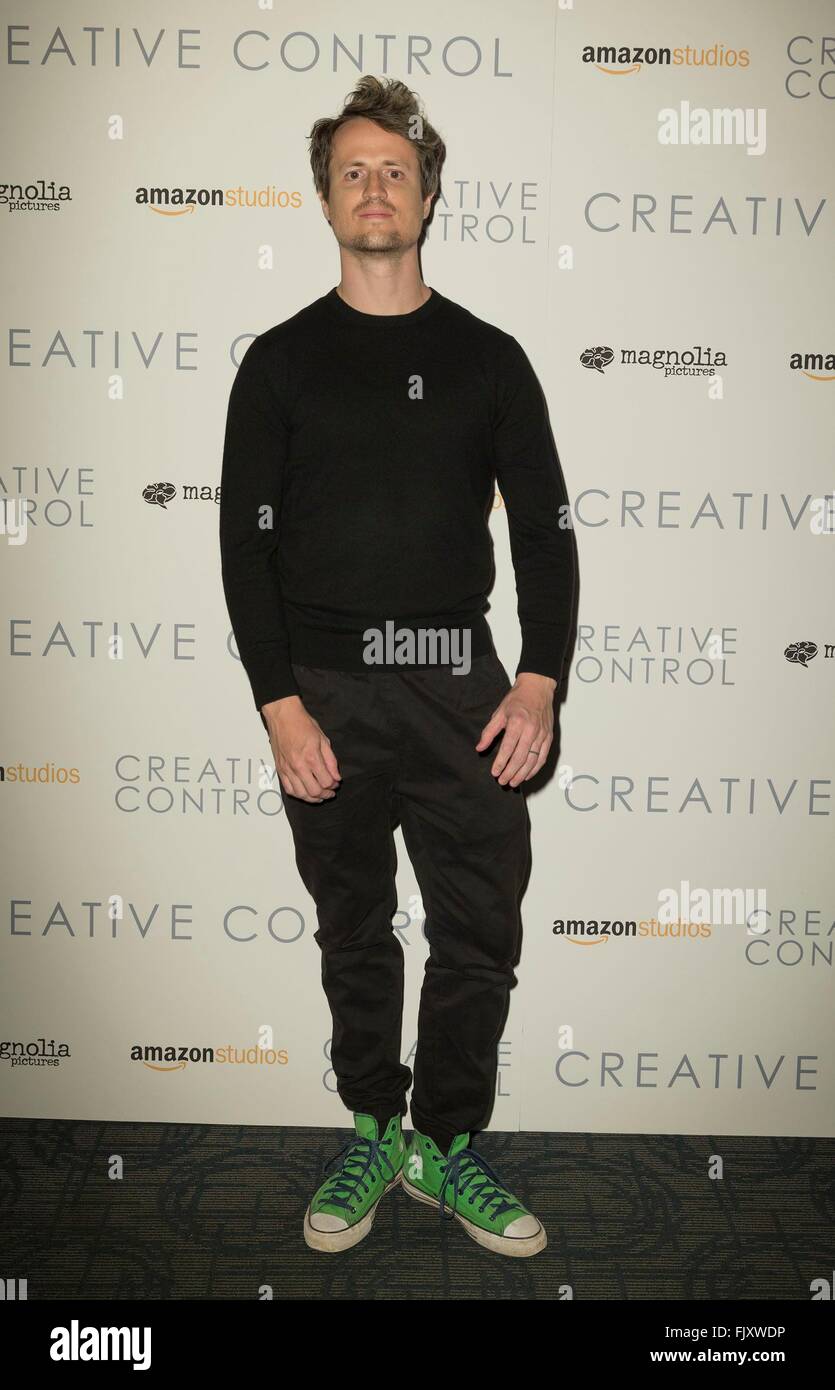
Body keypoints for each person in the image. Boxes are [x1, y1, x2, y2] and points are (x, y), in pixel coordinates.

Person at [219, 75, 577, 1259]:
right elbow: (244, 543)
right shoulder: (278, 361)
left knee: (480, 928)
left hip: (456, 681)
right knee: (353, 926)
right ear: (327, 197)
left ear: (427, 194)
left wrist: (539, 677)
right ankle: (374, 1121)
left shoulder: (489, 357)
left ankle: (447, 1143)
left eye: (396, 170)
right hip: (322, 686)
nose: (376, 187)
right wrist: (277, 701)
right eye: (353, 170)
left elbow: (543, 530)